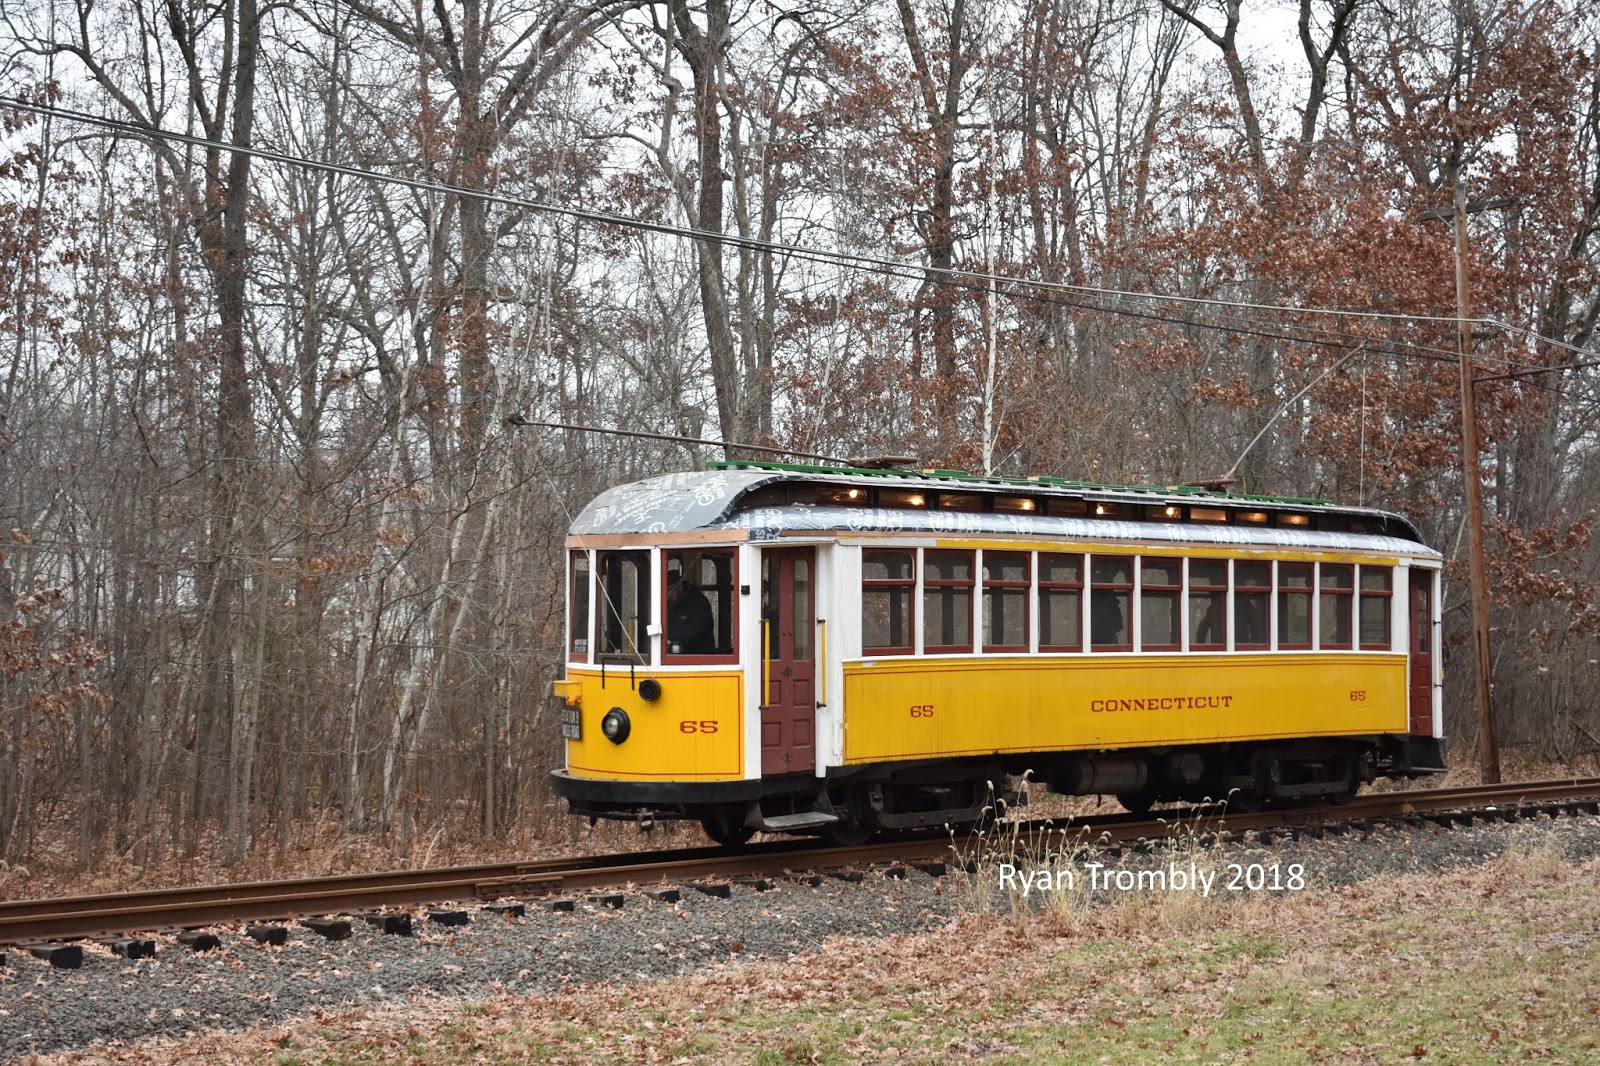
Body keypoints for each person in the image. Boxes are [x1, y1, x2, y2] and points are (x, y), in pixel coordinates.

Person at [667, 573, 717, 654]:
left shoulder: (698, 602)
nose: (667, 596)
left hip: (699, 657)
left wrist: (667, 638)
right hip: (676, 655)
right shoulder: (669, 603)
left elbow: (694, 630)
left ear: (679, 586)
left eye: (669, 591)